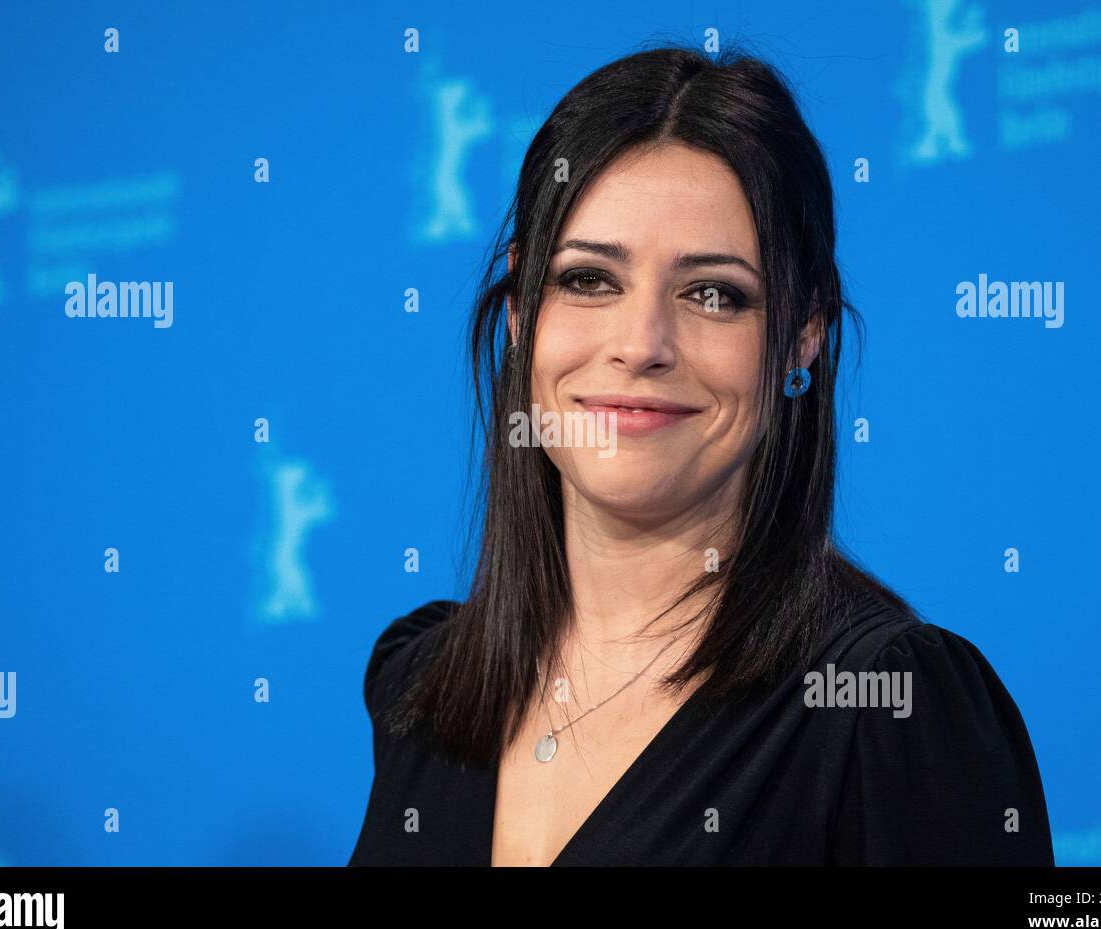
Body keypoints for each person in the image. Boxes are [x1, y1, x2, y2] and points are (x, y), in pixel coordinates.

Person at [348, 45, 1054, 866]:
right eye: (588, 280)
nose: (641, 344)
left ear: (802, 335)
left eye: (712, 294)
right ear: (518, 313)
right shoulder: (424, 686)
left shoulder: (884, 708)